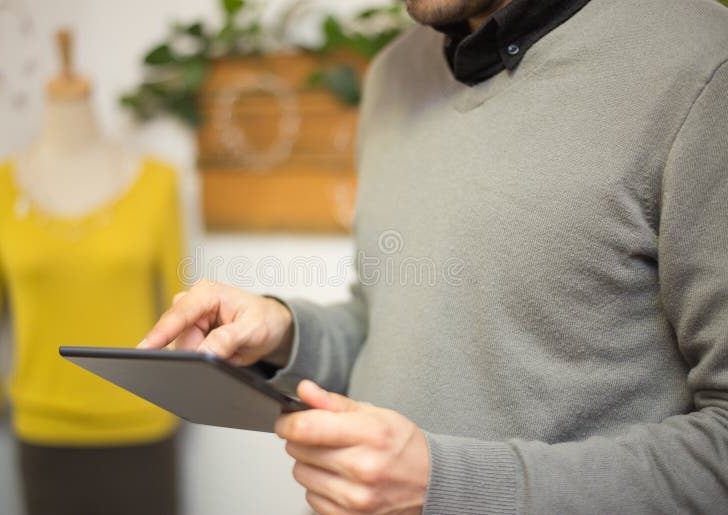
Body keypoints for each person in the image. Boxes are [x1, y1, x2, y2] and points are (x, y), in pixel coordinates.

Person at [140, 0, 728, 513]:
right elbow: (391, 325)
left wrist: (453, 487)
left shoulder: (702, 61)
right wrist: (286, 333)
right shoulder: (393, 73)